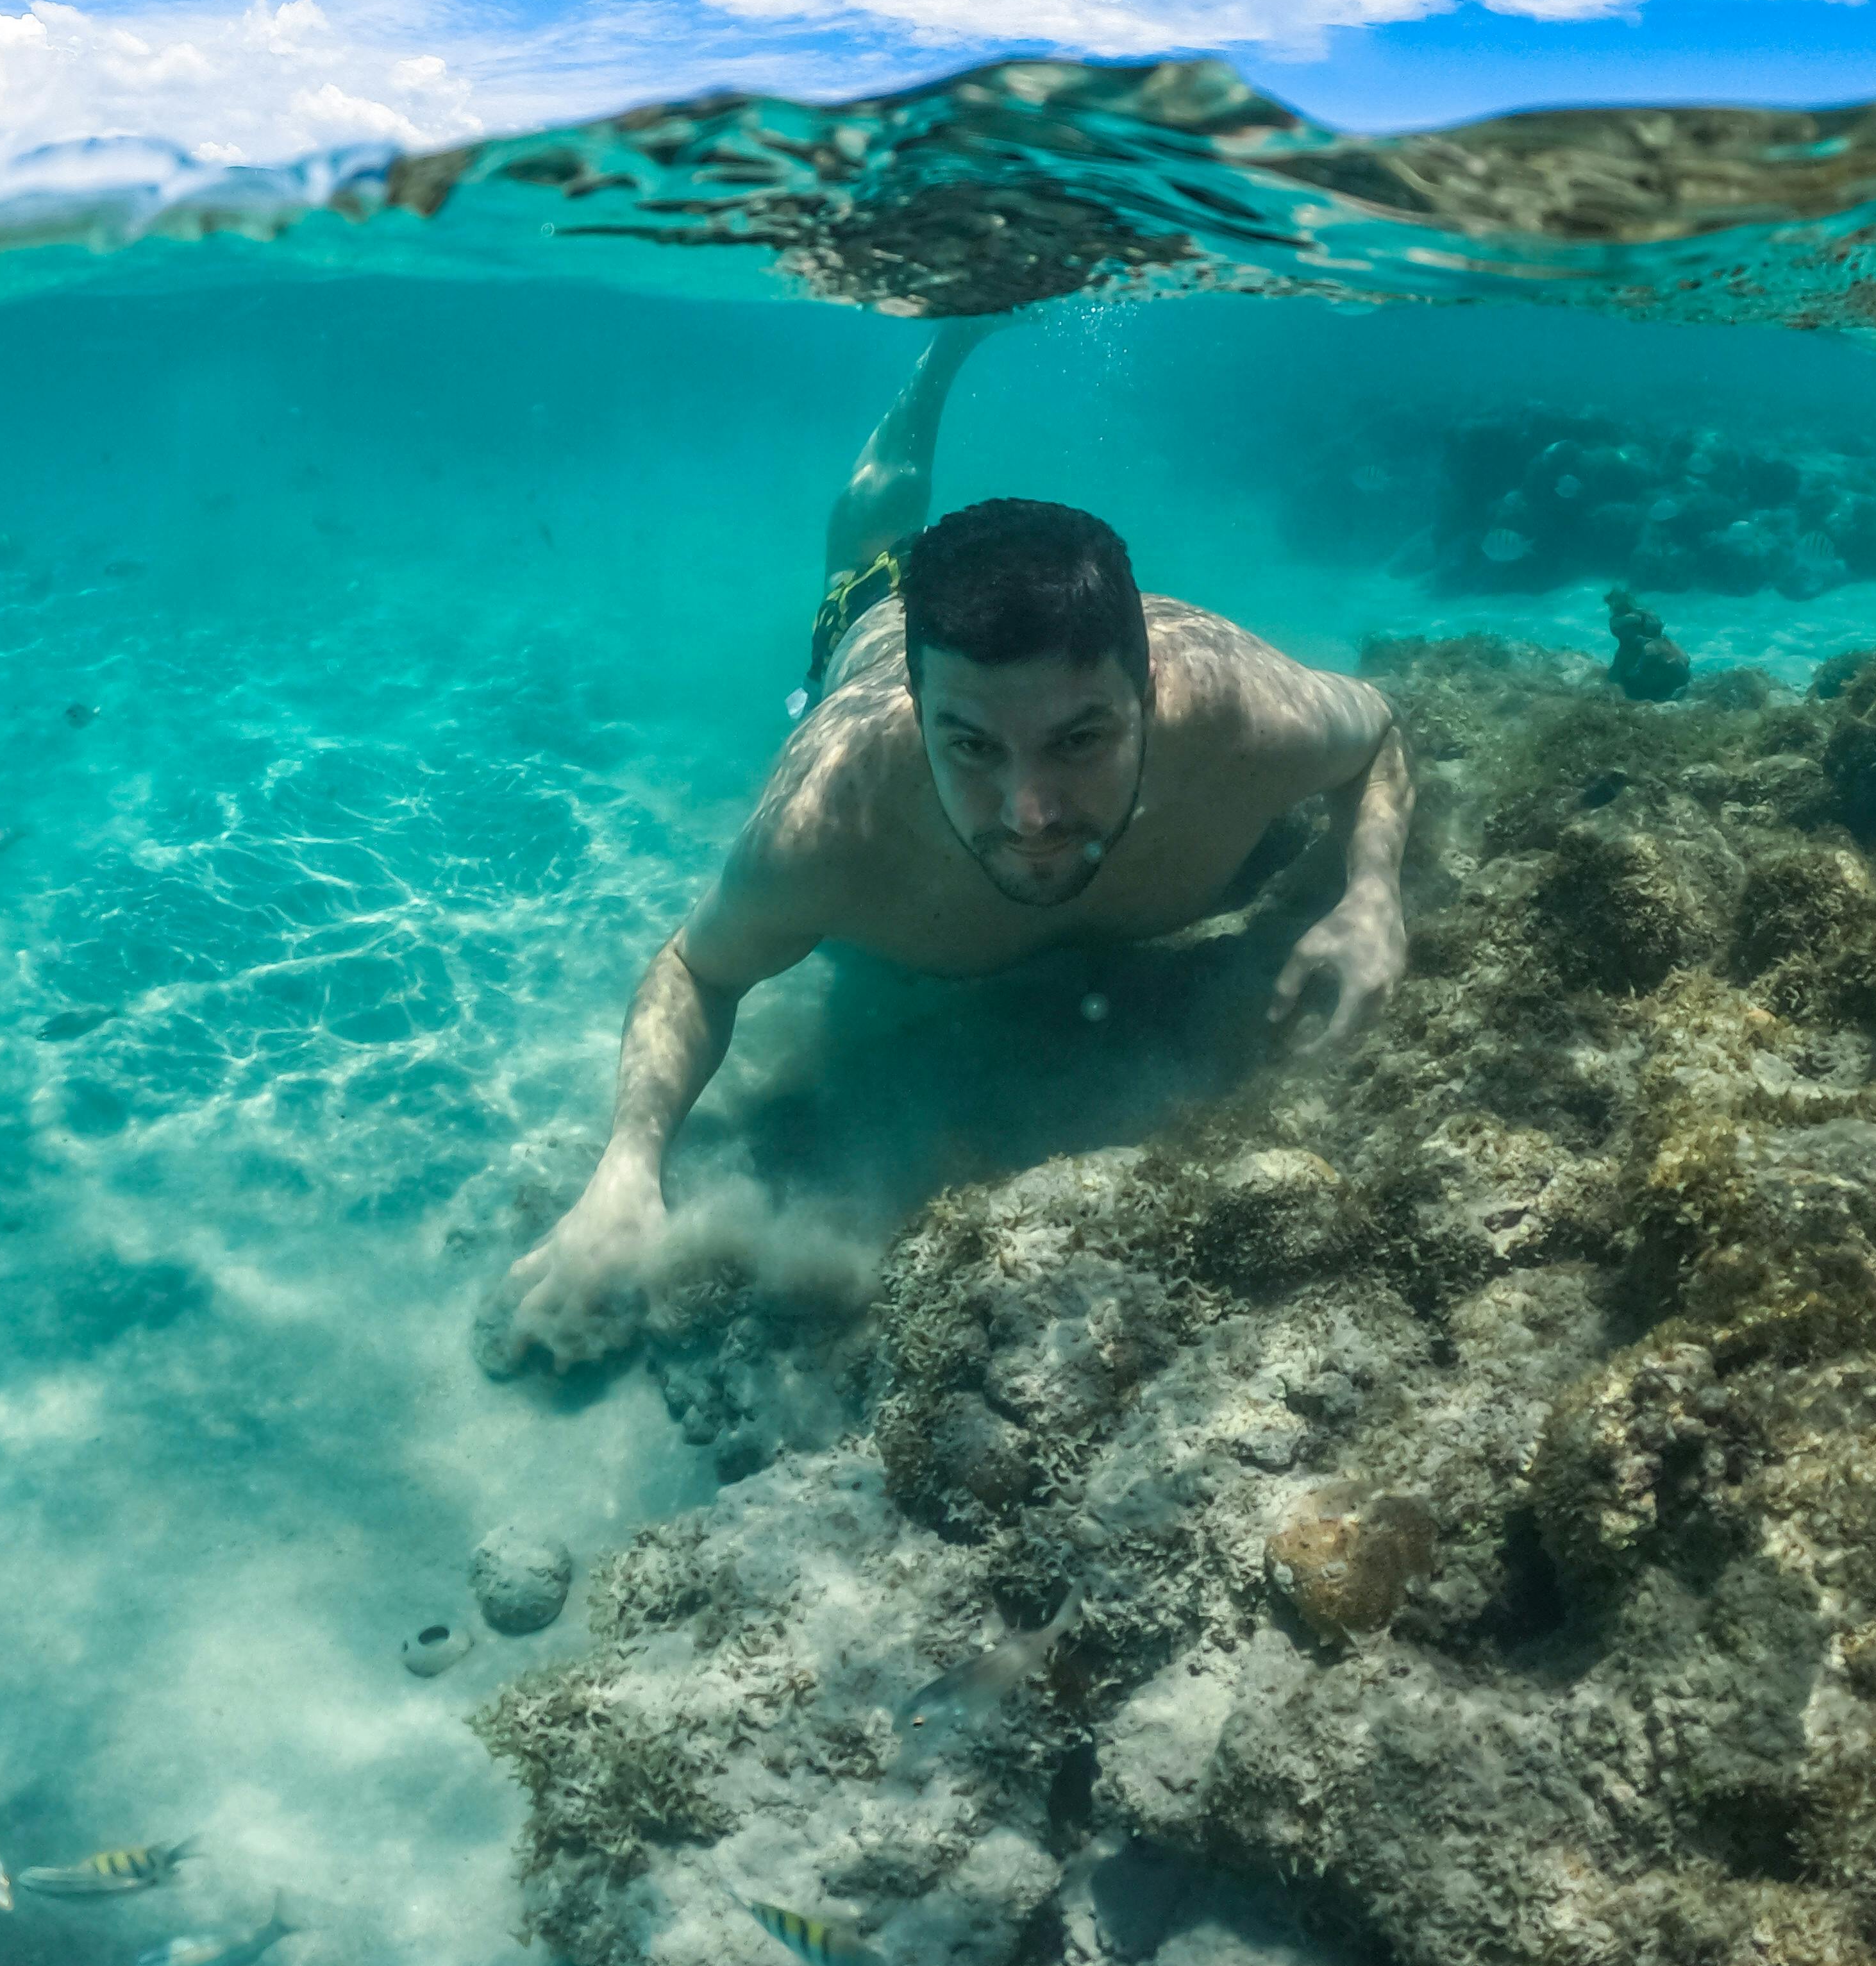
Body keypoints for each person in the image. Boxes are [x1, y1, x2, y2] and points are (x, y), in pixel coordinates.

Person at [497, 321, 1412, 1368]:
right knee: (868, 555)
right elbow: (693, 969)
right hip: (875, 631)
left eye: (1080, 740)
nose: (1030, 811)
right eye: (971, 745)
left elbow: (1376, 729)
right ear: (915, 708)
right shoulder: (829, 819)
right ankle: (938, 361)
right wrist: (627, 1168)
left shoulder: (1240, 714)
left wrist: (1372, 892)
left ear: (1151, 697)